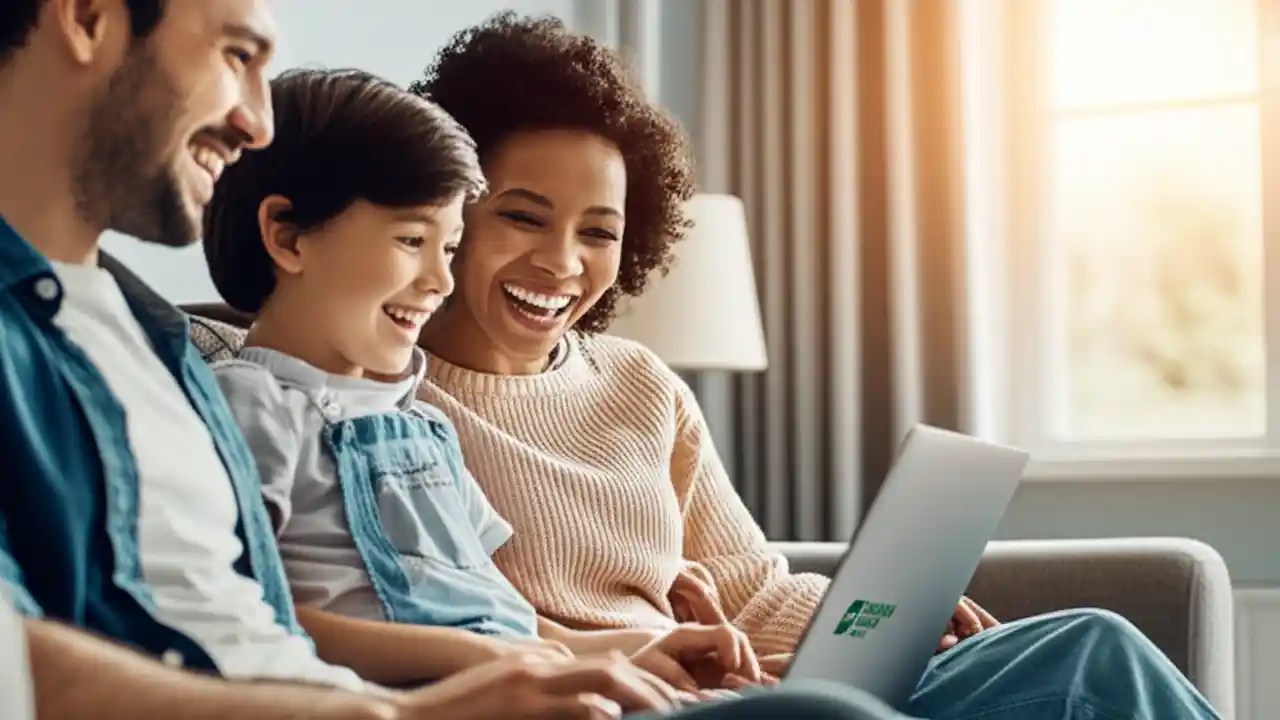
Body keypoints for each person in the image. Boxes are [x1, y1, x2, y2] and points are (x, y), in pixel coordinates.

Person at [0, 0, 948, 718]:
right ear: (86, 16)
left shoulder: (148, 342)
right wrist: (425, 706)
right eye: (236, 55)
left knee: (1079, 646)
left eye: (443, 247)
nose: (257, 122)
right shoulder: (245, 386)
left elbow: (282, 616)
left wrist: (639, 642)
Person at [405, 12, 1222, 719]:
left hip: (761, 693)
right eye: (522, 217)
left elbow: (751, 590)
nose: (561, 263)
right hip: (650, 702)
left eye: (598, 233)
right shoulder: (385, 400)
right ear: (447, 213)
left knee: (1093, 644)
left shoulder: (639, 384)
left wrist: (890, 622)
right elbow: (443, 621)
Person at [203, 65, 764, 695]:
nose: (440, 280)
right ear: (287, 236)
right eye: (413, 239)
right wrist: (482, 658)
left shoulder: (424, 426)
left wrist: (639, 645)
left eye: (447, 248)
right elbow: (250, 617)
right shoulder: (246, 406)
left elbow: (506, 614)